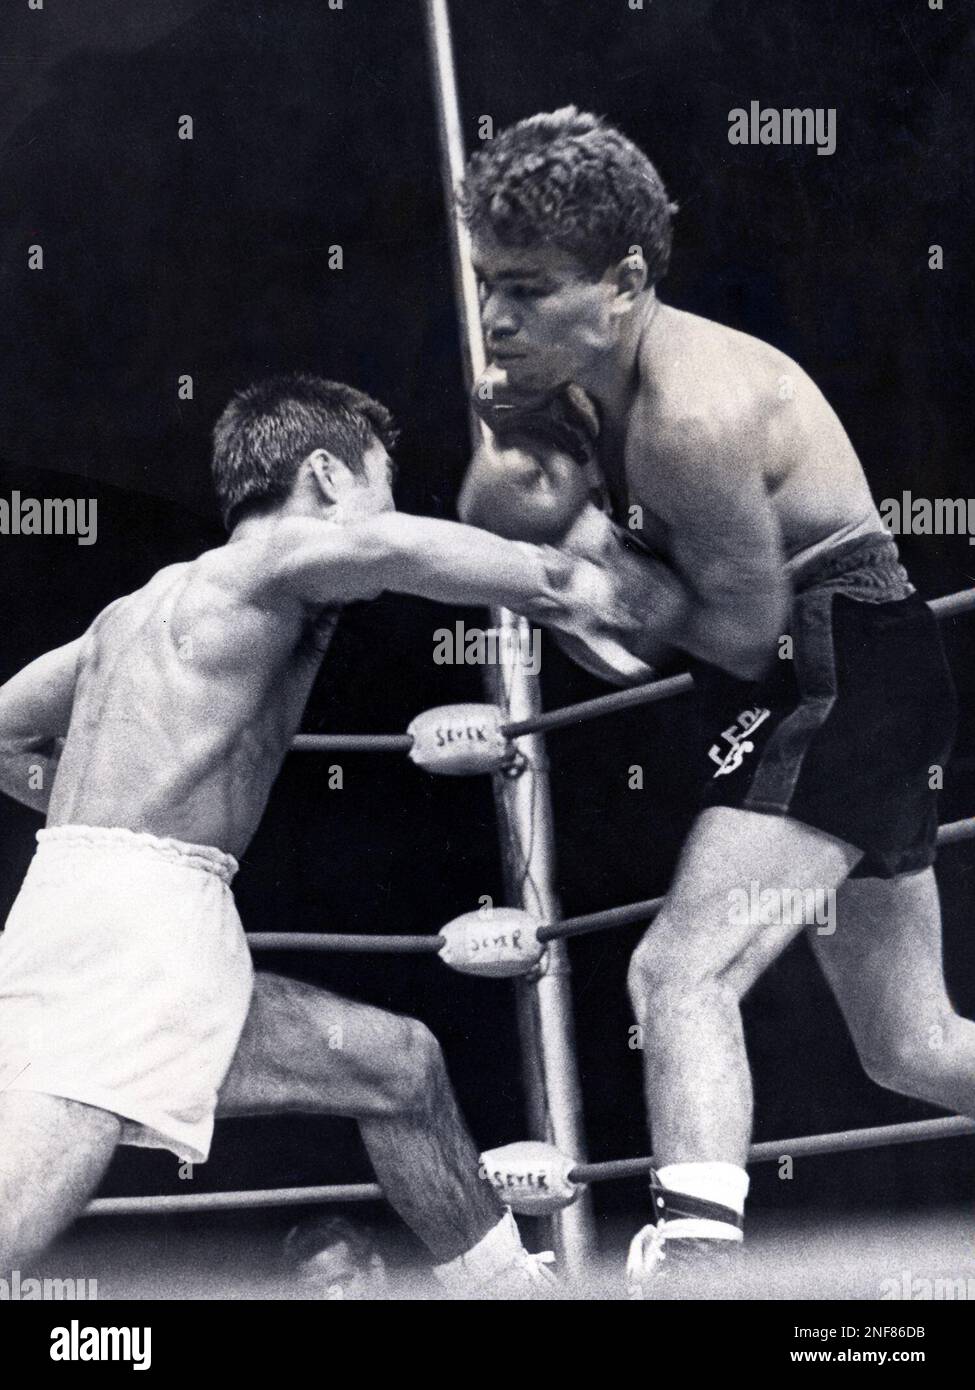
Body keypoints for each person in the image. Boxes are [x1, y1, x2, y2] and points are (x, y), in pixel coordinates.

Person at [456, 108, 974, 1294]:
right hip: (819, 681)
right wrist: (575, 583)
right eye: (491, 283)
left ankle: (697, 1273)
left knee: (677, 973)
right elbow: (639, 644)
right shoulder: (584, 403)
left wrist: (604, 571)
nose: (495, 316)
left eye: (528, 289)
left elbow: (736, 633)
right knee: (912, 1044)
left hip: (844, 668)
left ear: (624, 281)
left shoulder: (692, 414)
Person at [0, 372, 645, 1295]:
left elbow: (1, 729)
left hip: (106, 910)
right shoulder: (273, 559)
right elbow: (387, 547)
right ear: (327, 477)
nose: (385, 504)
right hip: (137, 931)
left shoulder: (133, 612)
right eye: (379, 479)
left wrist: (101, 825)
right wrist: (573, 579)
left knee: (398, 1066)